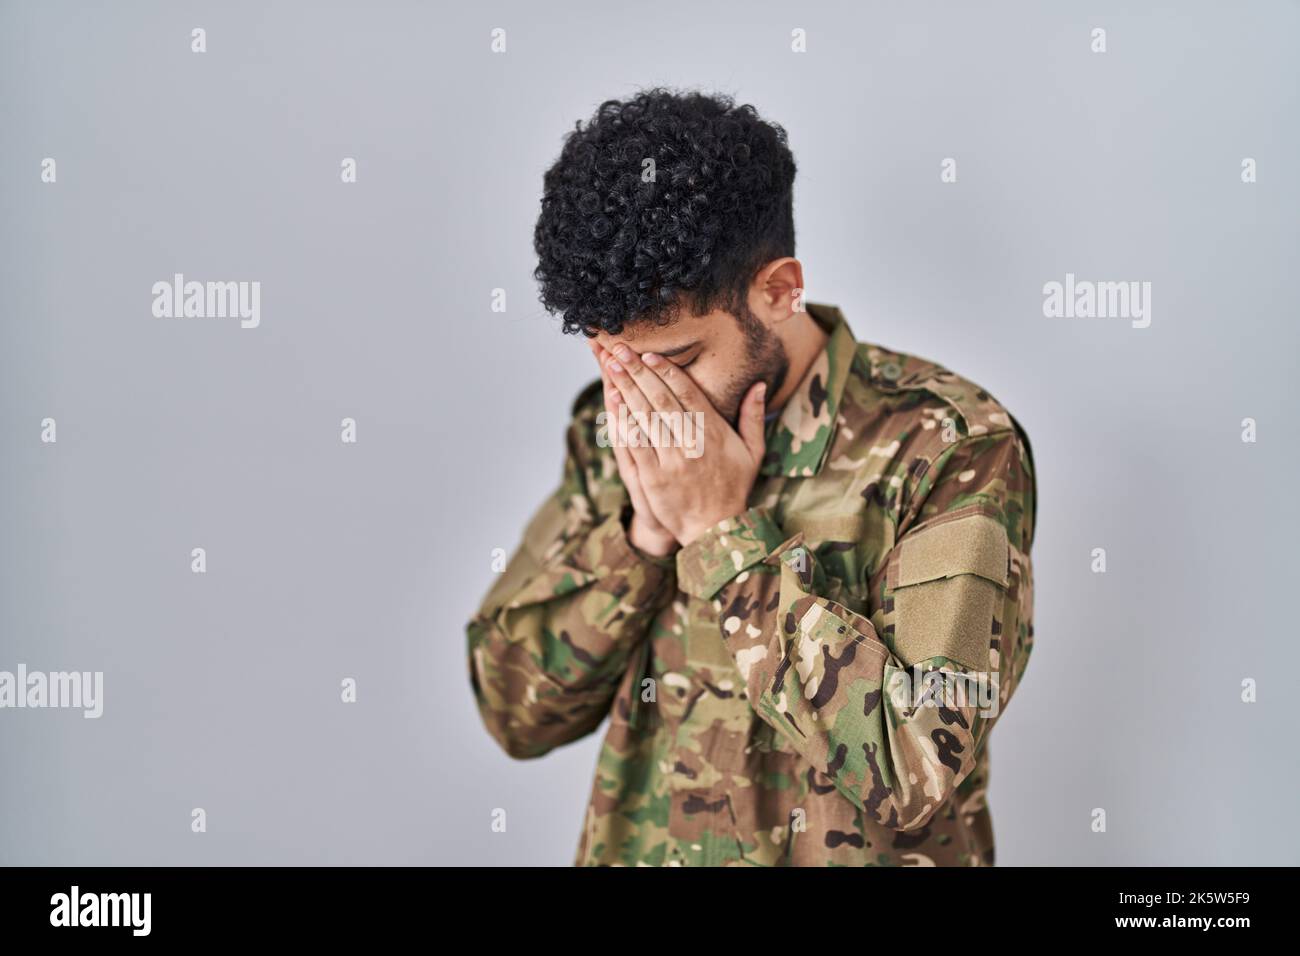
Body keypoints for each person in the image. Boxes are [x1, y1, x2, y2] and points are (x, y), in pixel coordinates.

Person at [468, 88, 1037, 866]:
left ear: (778, 291)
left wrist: (718, 537)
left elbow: (917, 766)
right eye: (613, 359)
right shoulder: (616, 430)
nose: (644, 397)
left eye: (676, 362)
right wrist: (643, 537)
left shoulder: (947, 446)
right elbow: (512, 711)